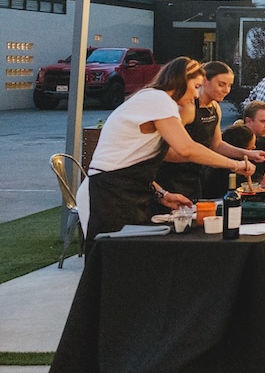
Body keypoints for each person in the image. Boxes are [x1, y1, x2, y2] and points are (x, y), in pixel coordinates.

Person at [77, 57, 254, 250]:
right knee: (112, 262)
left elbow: (134, 161)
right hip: (105, 194)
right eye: (195, 86)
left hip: (126, 191)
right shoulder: (158, 98)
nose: (196, 95)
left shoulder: (157, 99)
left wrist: (162, 194)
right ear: (181, 80)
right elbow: (186, 149)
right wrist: (235, 164)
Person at [157, 61, 265, 201]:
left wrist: (248, 153)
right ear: (205, 82)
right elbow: (168, 151)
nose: (226, 90)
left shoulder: (215, 107)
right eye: (221, 84)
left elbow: (216, 145)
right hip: (172, 177)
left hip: (196, 176)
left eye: (229, 85)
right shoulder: (188, 108)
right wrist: (211, 159)